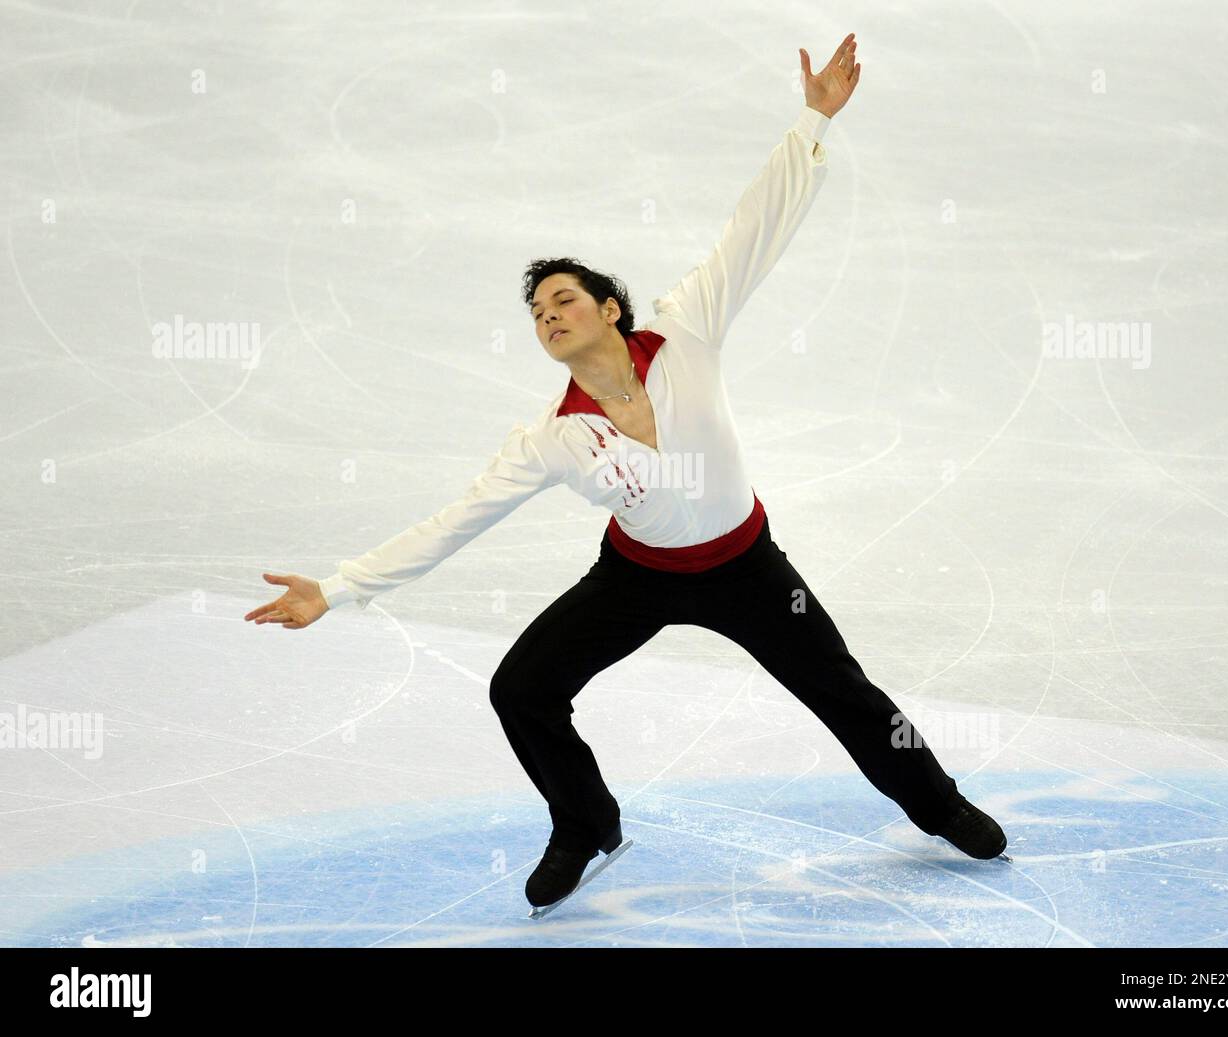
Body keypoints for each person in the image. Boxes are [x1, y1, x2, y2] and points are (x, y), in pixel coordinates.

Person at [245, 33, 1008, 910]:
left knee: (845, 694)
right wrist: (335, 589)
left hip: (748, 569)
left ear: (610, 308)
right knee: (522, 688)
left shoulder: (686, 333)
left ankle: (940, 805)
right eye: (538, 314)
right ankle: (585, 823)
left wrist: (813, 119)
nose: (550, 315)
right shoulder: (550, 439)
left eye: (565, 298)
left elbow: (752, 226)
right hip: (636, 576)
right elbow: (454, 520)